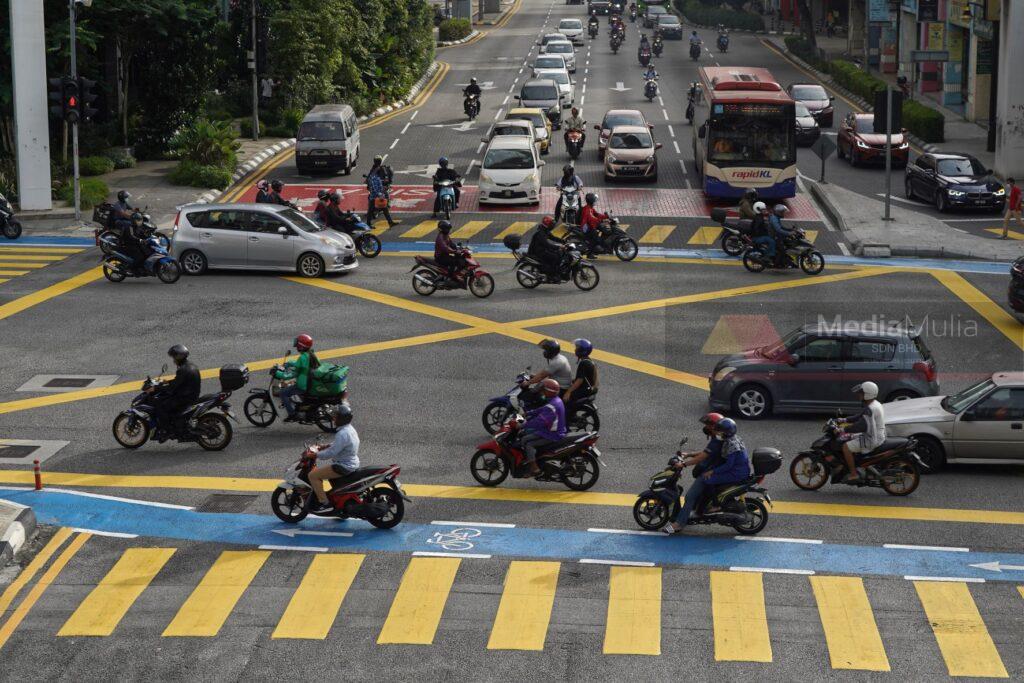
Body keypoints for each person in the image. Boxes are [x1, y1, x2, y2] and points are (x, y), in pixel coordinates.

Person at [663, 417, 750, 533]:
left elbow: (724, 463)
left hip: (736, 472)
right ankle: (699, 510)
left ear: (726, 432)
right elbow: (707, 452)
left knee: (694, 491)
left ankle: (680, 523)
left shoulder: (728, 444)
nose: (716, 431)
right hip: (733, 469)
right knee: (703, 484)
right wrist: (689, 454)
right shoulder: (726, 440)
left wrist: (685, 464)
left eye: (718, 429)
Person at [306, 402, 360, 514]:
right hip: (352, 463)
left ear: (341, 419)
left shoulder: (342, 434)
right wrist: (325, 446)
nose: (333, 418)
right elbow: (338, 445)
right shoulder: (348, 429)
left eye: (336, 416)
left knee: (313, 475)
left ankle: (324, 503)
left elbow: (331, 453)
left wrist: (315, 455)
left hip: (343, 466)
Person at [151, 345, 201, 440]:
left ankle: (166, 431)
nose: (173, 360)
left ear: (178, 357)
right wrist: (167, 382)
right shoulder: (191, 366)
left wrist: (156, 389)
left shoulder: (182, 370)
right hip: (191, 395)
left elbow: (173, 387)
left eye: (174, 357)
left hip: (184, 398)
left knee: (160, 405)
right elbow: (179, 382)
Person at [840, 381, 885, 484]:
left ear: (867, 394)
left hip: (871, 437)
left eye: (861, 393)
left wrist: (843, 429)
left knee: (846, 447)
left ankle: (853, 474)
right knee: (850, 437)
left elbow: (861, 426)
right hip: (875, 434)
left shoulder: (870, 408)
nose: (858, 395)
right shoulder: (874, 403)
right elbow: (860, 416)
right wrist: (844, 420)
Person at [519, 378, 566, 476]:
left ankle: (535, 468)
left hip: (552, 434)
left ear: (548, 392)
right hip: (552, 430)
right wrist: (528, 413)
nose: (541, 391)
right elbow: (542, 409)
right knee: (526, 436)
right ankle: (535, 458)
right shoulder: (556, 400)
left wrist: (523, 425)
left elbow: (539, 422)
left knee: (527, 442)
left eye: (543, 390)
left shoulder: (552, 406)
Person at [274, 334, 320, 422]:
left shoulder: (302, 358)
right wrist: (290, 363)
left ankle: (292, 414)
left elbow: (292, 375)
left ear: (301, 346)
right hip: (311, 382)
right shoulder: (311, 354)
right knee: (291, 385)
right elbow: (302, 365)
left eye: (297, 345)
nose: (296, 347)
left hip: (303, 385)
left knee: (283, 393)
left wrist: (278, 374)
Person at [563, 338, 598, 407]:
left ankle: (569, 415)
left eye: (577, 348)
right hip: (590, 388)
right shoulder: (589, 360)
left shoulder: (583, 363)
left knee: (566, 399)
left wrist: (568, 392)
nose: (575, 349)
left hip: (585, 389)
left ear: (582, 351)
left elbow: (579, 380)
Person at [366, 164, 399, 228]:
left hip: (377, 197)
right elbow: (375, 189)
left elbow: (378, 187)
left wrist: (383, 189)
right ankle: (368, 224)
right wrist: (380, 194)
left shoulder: (376, 178)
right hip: (375, 198)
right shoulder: (374, 178)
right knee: (370, 211)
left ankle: (390, 222)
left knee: (384, 209)